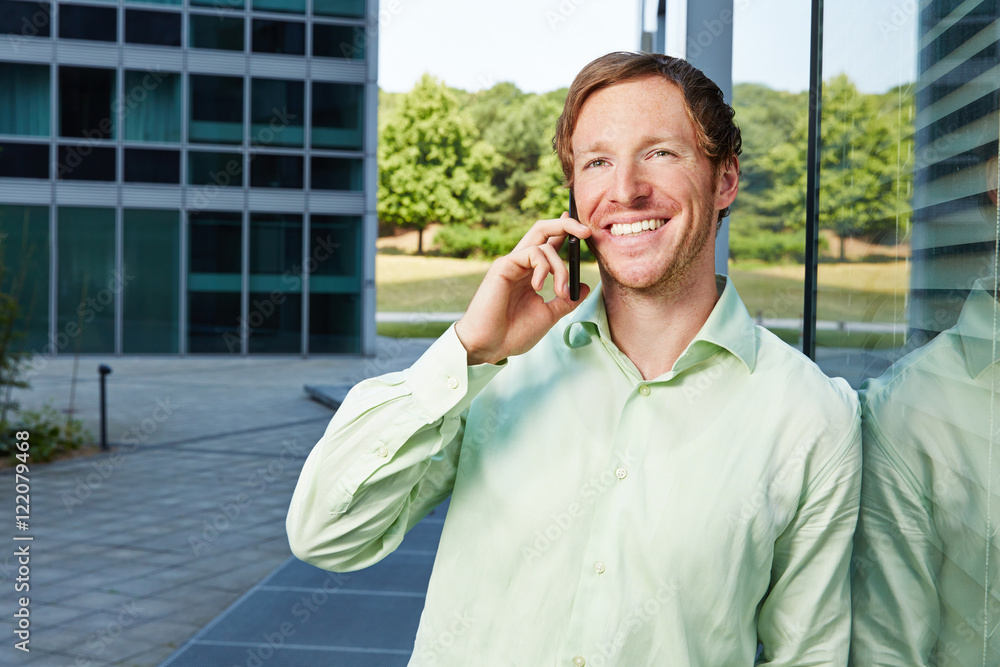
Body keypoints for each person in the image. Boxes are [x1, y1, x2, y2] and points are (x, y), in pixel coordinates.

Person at [287, 51, 862, 666]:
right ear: (575, 196)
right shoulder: (496, 373)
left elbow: (810, 655)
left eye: (660, 153)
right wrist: (467, 353)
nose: (625, 191)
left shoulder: (812, 415)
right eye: (597, 162)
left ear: (724, 179)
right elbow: (326, 532)